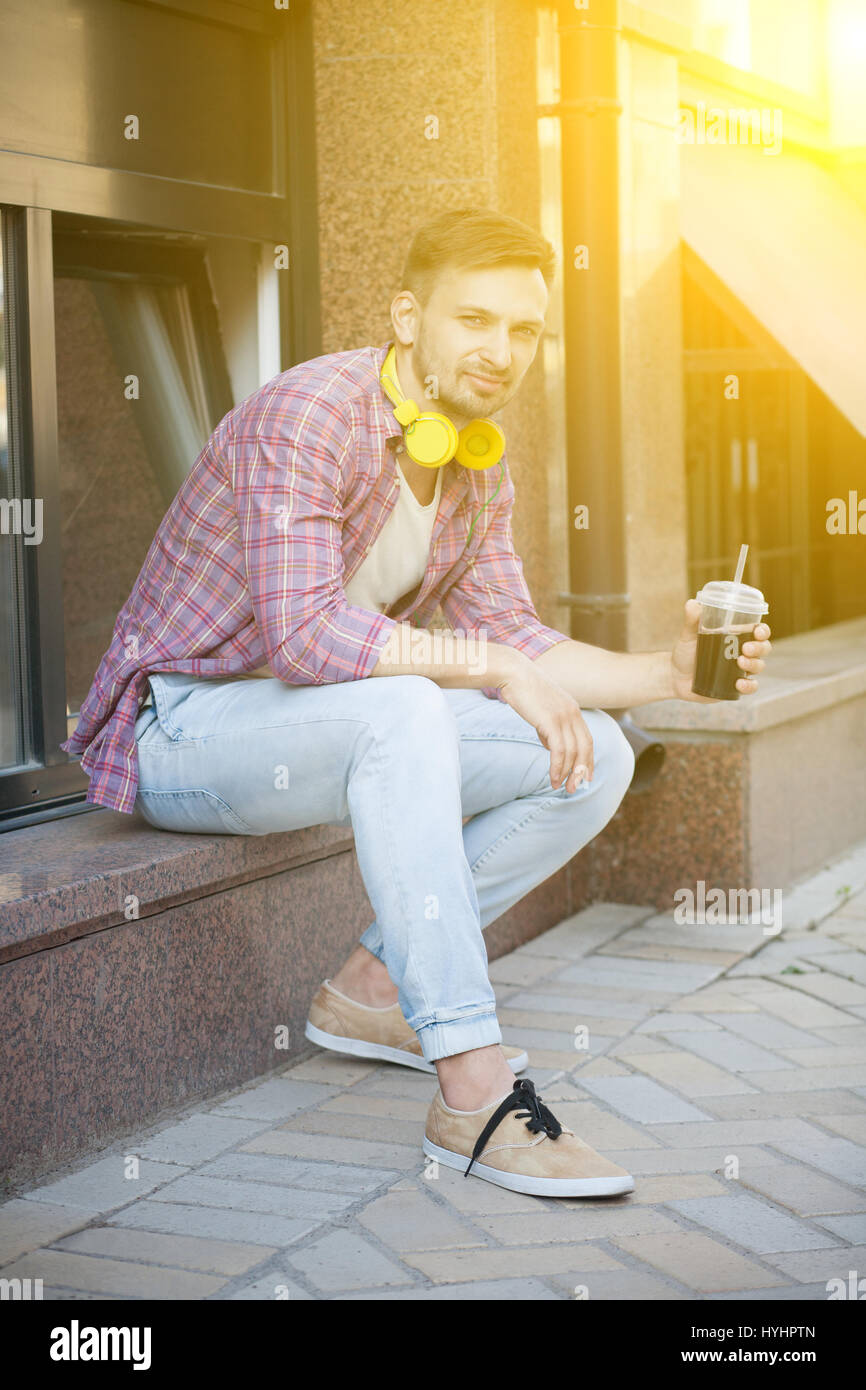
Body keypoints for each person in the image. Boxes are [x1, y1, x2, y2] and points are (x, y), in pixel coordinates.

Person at [62, 207, 772, 1199]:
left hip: (318, 727)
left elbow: (520, 644)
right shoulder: (307, 418)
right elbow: (305, 638)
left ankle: (372, 989)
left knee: (593, 753)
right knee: (402, 708)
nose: (501, 351)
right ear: (407, 317)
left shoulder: (475, 465)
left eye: (523, 329)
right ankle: (470, 1095)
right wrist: (487, 666)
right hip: (188, 726)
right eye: (473, 319)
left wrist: (665, 668)